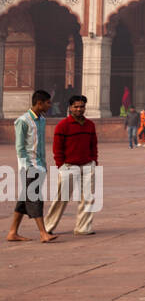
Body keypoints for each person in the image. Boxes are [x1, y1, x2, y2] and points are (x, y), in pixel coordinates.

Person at [45, 94, 98, 236]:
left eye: (81, 106)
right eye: (76, 106)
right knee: (61, 199)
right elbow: (57, 148)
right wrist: (60, 165)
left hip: (87, 165)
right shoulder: (63, 125)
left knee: (87, 198)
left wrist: (94, 161)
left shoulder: (90, 125)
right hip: (68, 166)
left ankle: (83, 227)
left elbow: (93, 145)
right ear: (70, 108)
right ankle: (47, 227)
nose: (79, 109)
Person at [8, 90, 58, 243]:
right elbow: (20, 148)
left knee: (25, 199)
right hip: (30, 167)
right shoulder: (23, 121)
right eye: (48, 102)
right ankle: (43, 233)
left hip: (40, 165)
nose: (50, 105)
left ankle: (12, 232)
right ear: (39, 103)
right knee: (35, 199)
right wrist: (28, 167)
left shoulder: (42, 120)